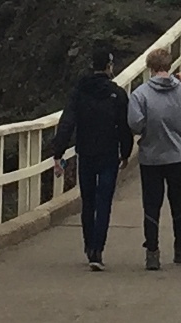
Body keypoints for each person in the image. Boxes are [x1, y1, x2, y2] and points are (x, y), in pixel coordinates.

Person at [50, 41, 135, 272]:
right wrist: (125, 152)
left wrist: (58, 152)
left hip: (85, 153)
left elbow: (67, 122)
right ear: (109, 66)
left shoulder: (79, 92)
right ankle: (98, 249)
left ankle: (89, 247)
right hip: (108, 154)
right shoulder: (117, 94)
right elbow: (124, 126)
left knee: (87, 201)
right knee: (103, 201)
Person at [127, 43, 181, 270]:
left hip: (150, 157)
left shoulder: (140, 94)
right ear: (169, 65)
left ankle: (152, 250)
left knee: (151, 205)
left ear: (150, 68)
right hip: (177, 155)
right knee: (178, 202)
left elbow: (134, 124)